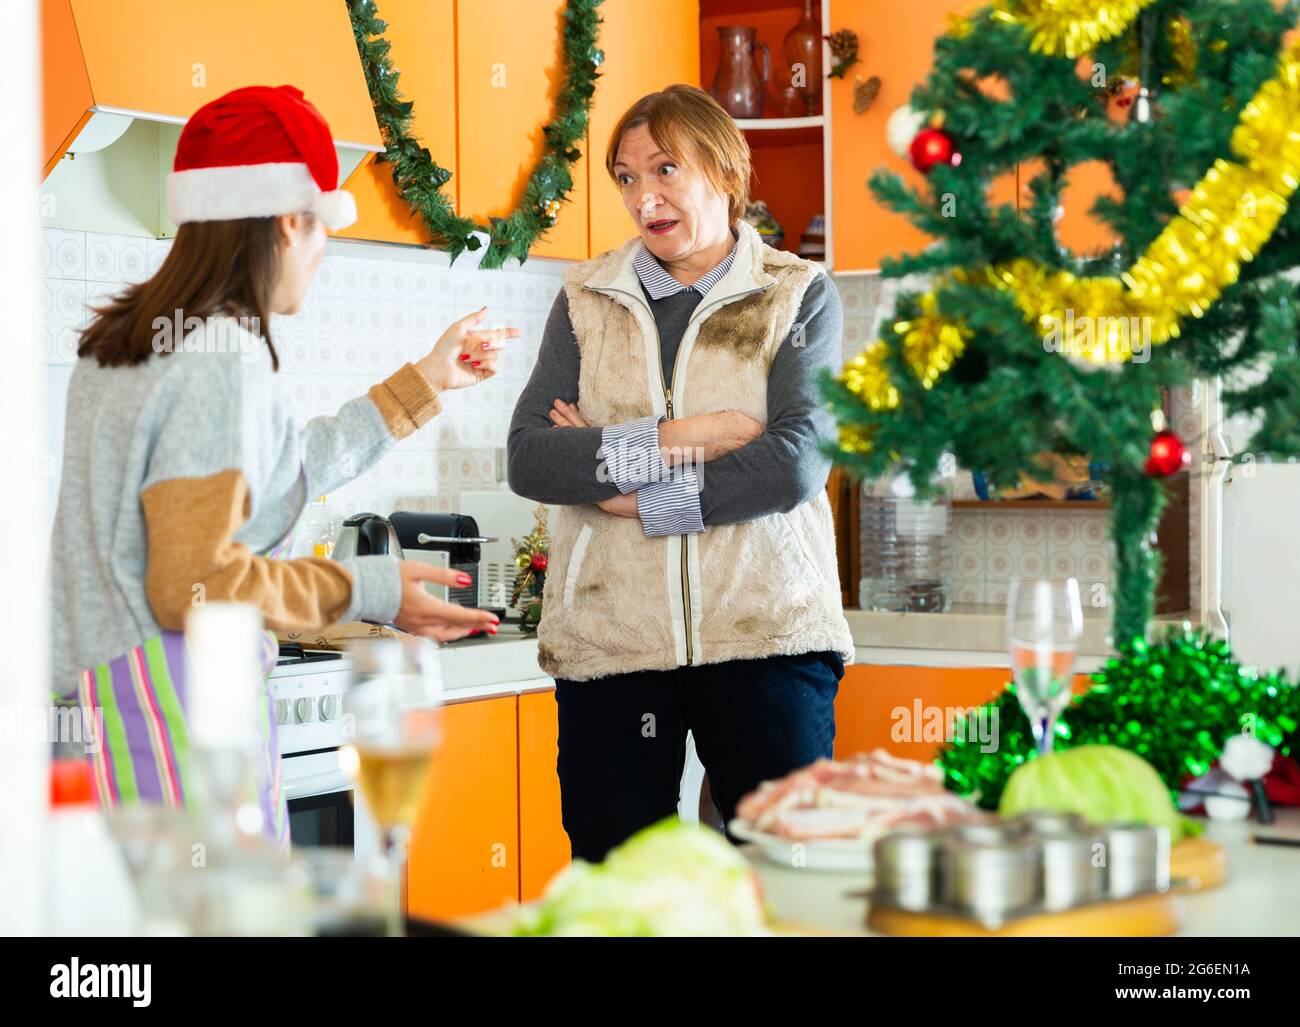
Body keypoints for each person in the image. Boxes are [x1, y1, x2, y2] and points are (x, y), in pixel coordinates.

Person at [49, 85, 514, 847]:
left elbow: (278, 475)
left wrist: (426, 381)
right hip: (169, 716)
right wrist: (370, 588)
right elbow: (193, 584)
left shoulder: (130, 343)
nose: (322, 249)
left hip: (100, 708)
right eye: (323, 224)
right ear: (291, 221)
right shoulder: (218, 360)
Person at [507, 84, 854, 862]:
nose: (643, 197)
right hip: (612, 645)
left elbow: (793, 462)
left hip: (768, 636)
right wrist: (692, 435)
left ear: (725, 173)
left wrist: (637, 499)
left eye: (665, 170)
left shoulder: (796, 295)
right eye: (626, 177)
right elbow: (531, 454)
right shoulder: (584, 302)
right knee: (617, 883)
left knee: (783, 875)